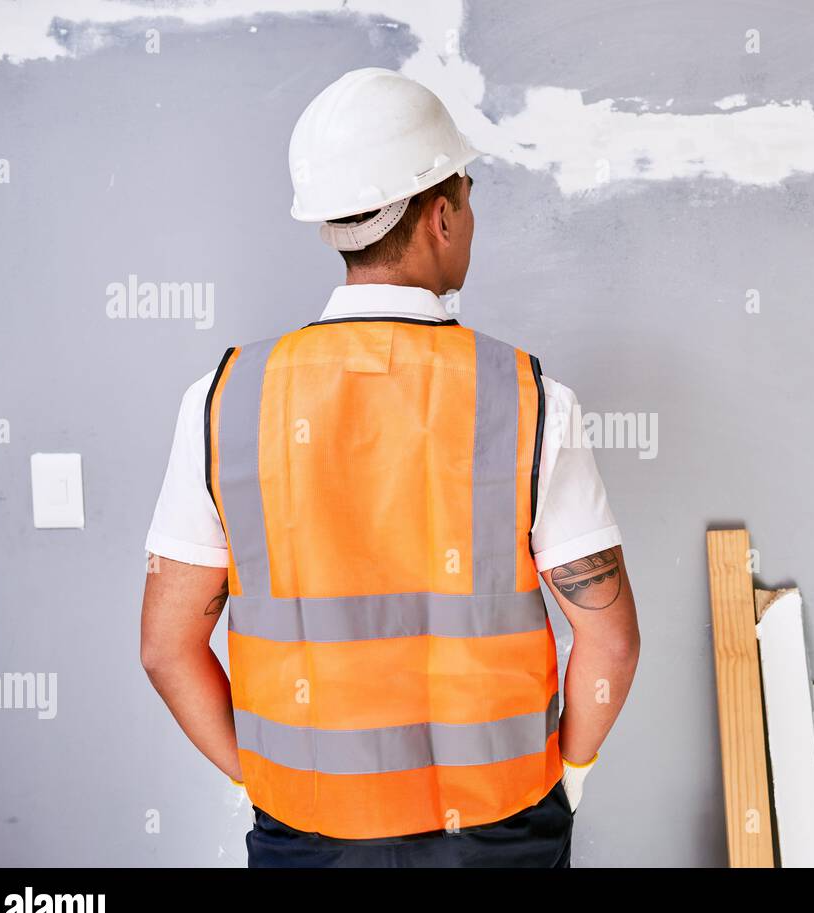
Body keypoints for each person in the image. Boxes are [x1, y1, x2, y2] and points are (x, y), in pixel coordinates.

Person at [139, 68, 641, 867]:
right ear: (441, 216)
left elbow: (167, 648)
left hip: (308, 832)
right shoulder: (529, 397)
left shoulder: (224, 399)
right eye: (469, 197)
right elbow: (609, 642)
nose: (471, 217)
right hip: (501, 826)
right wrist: (569, 775)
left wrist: (260, 783)